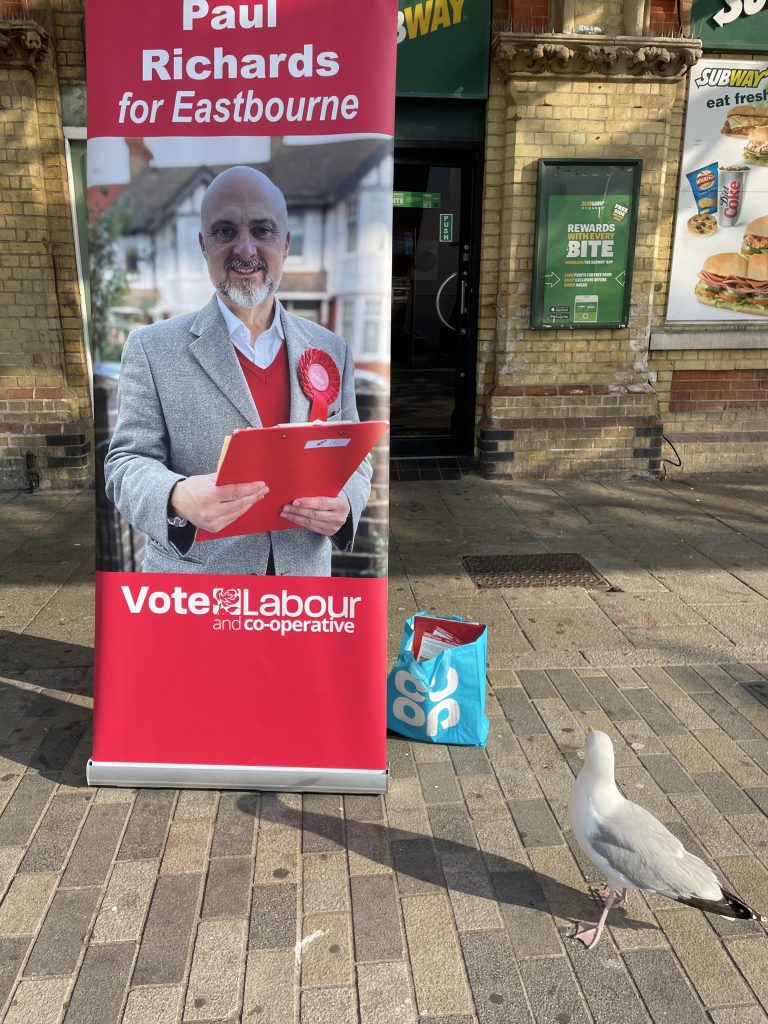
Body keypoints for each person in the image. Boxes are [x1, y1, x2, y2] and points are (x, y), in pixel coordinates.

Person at [104, 165, 372, 575]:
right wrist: (176, 495)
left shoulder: (331, 348)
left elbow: (354, 456)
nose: (245, 250)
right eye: (225, 231)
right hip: (198, 591)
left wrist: (346, 504)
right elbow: (125, 462)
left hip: (301, 590)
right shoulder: (151, 348)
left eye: (262, 231)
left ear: (285, 244)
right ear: (203, 245)